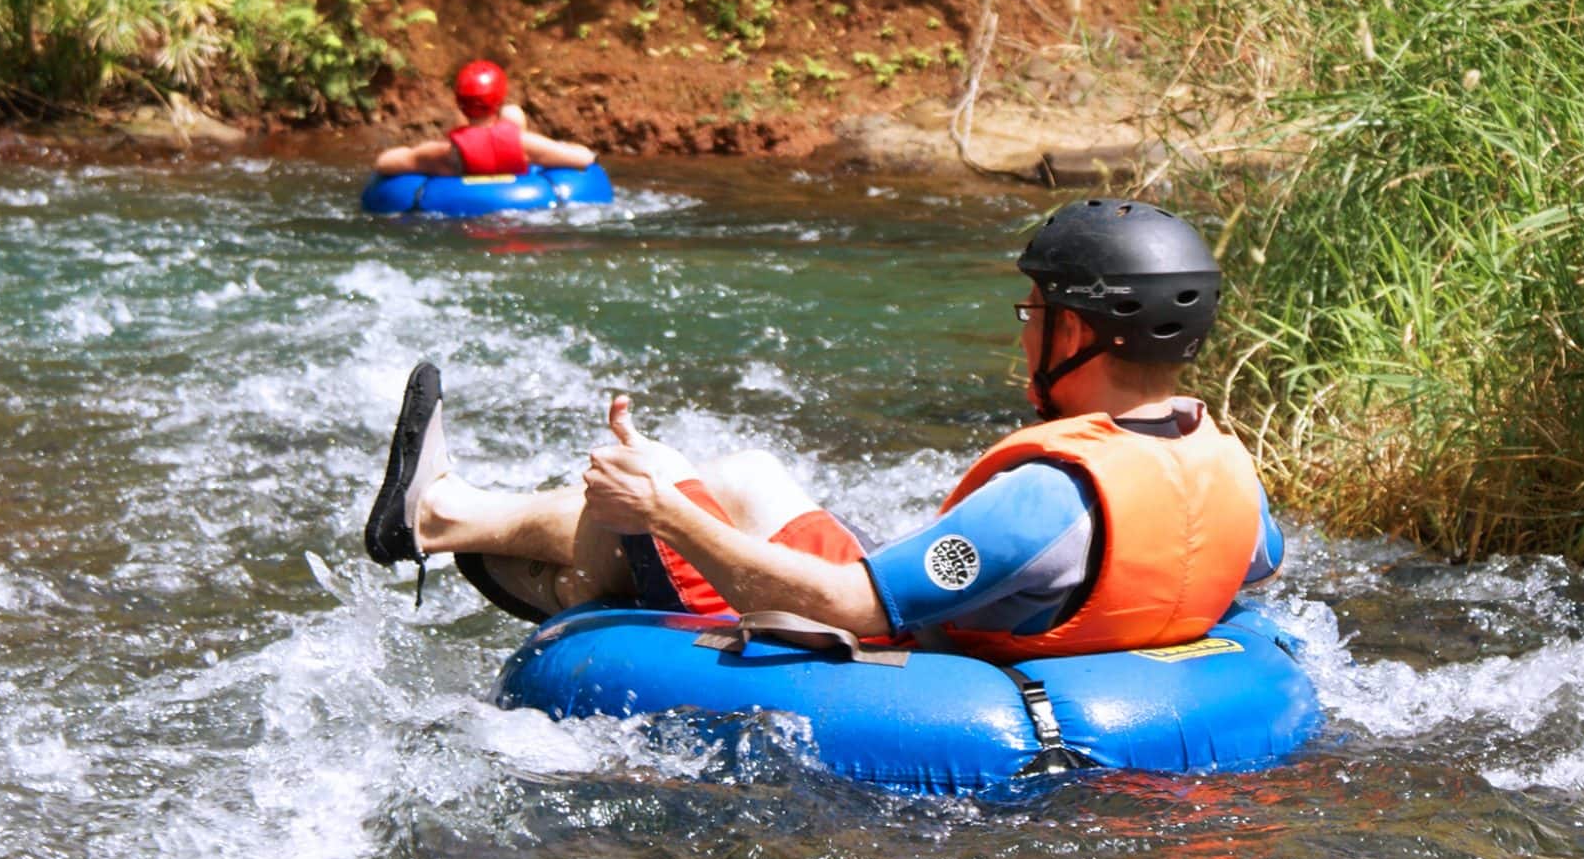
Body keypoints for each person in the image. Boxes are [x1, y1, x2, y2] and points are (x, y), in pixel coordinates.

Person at [360, 199, 1283, 662]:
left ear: (1074, 333)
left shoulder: (1044, 503)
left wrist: (668, 517)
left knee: (666, 479)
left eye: (1033, 311)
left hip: (884, 669)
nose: (1027, 330)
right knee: (747, 469)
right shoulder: (1228, 472)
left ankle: (443, 523)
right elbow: (1253, 566)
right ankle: (469, 527)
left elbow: (849, 609)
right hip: (998, 636)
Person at [372, 60, 596, 177]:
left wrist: (423, 150)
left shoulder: (444, 153)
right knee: (514, 115)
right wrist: (563, 145)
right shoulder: (524, 143)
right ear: (498, 101)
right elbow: (583, 158)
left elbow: (384, 163)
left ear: (460, 103)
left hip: (460, 202)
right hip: (519, 209)